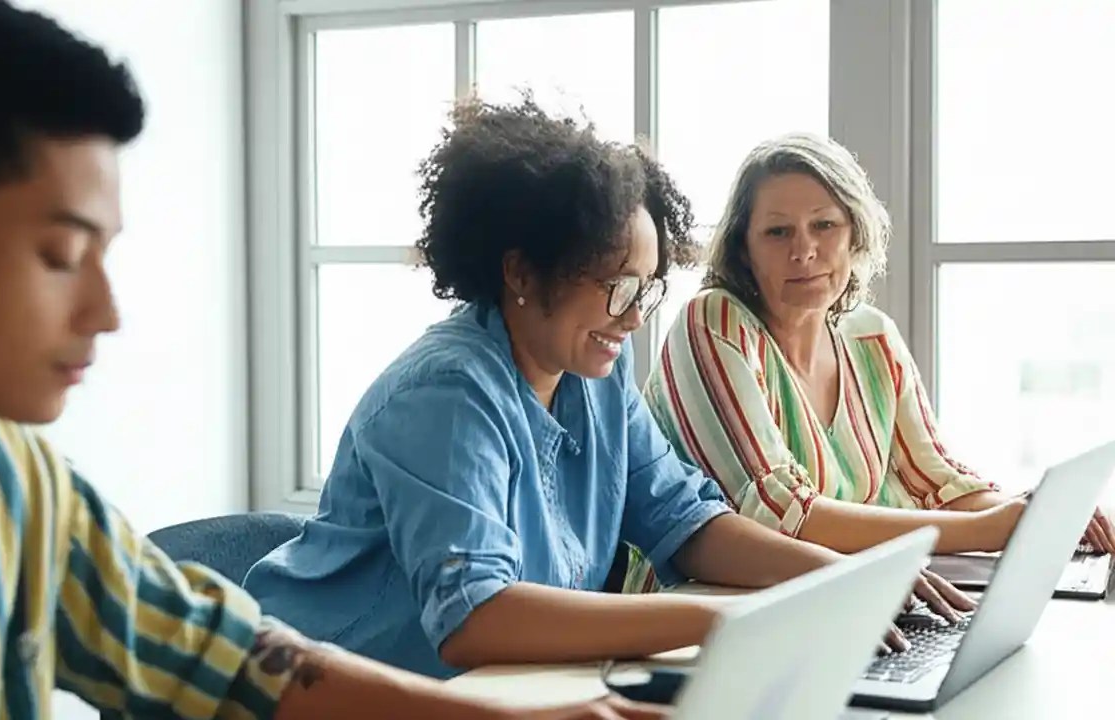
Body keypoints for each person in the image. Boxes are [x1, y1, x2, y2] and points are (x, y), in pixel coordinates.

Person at [0, 2, 667, 718]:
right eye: (59, 255)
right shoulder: (450, 383)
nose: (106, 312)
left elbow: (232, 660)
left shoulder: (16, 489)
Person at [244, 97, 969, 682]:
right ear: (522, 274)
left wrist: (843, 581)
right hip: (332, 697)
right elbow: (477, 621)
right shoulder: (445, 396)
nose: (632, 316)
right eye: (617, 287)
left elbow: (685, 521)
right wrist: (726, 621)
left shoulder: (594, 372)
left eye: (647, 290)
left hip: (501, 693)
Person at [626, 132, 1113, 593]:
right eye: (777, 232)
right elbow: (776, 514)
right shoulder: (714, 321)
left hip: (838, 599)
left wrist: (1038, 513)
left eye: (825, 225)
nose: (804, 250)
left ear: (856, 233)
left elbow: (938, 483)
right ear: (743, 251)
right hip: (695, 618)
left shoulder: (872, 336)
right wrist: (990, 529)